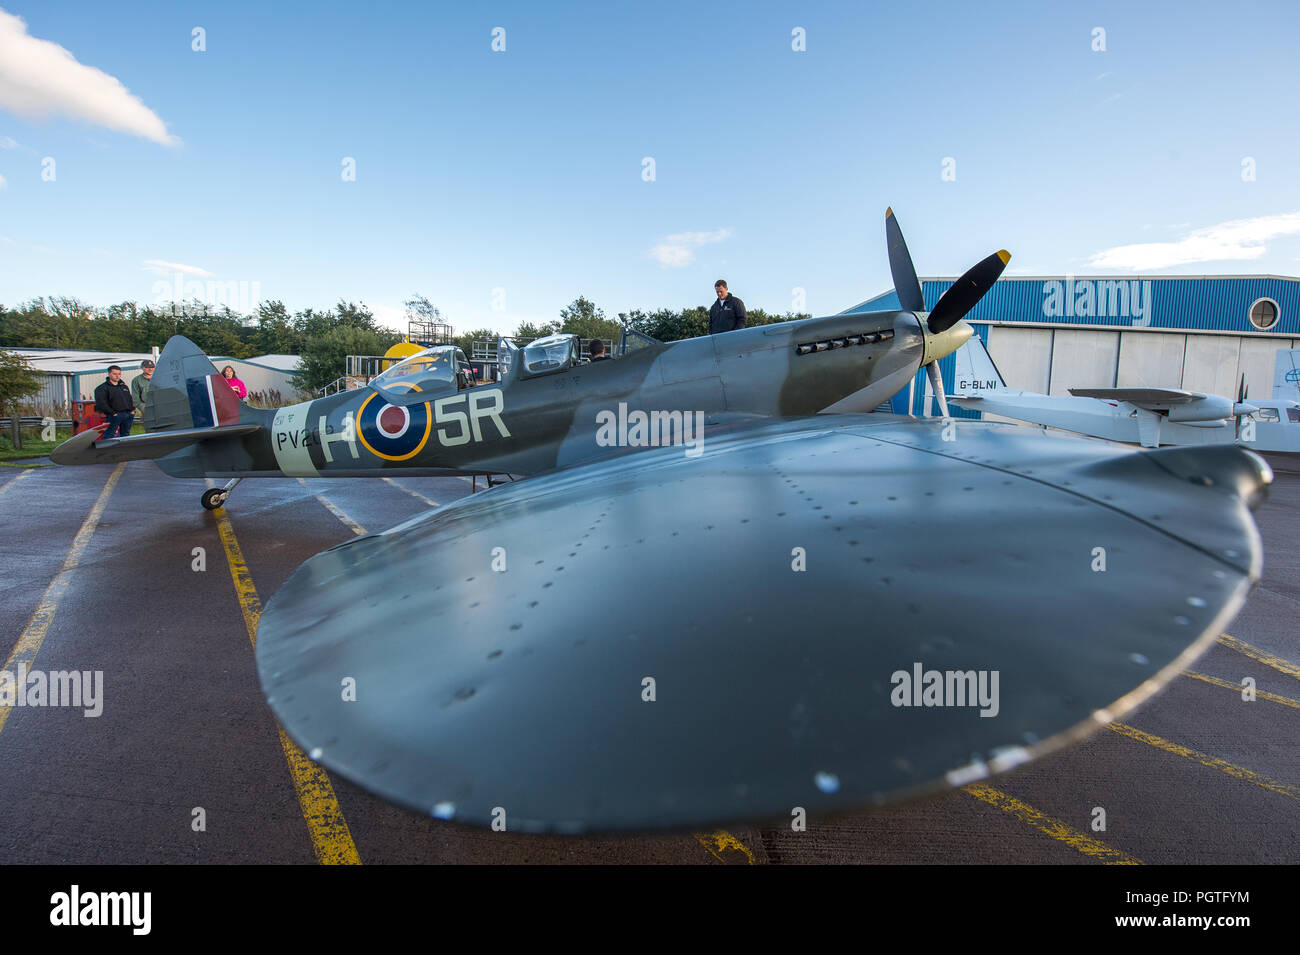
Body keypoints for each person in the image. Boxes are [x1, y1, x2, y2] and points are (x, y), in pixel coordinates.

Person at [93, 365, 135, 439]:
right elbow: (101, 403)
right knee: (110, 434)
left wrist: (132, 410)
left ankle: (123, 449)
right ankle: (106, 450)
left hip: (127, 414)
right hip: (114, 415)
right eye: (114, 374)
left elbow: (129, 399)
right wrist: (113, 413)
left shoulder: (123, 386)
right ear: (109, 374)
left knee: (126, 435)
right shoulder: (102, 388)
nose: (117, 376)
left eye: (119, 374)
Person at [131, 359, 154, 430]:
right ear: (142, 368)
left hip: (161, 407)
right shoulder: (136, 380)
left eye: (152, 367)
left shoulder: (160, 377)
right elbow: (135, 398)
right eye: (147, 367)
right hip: (146, 407)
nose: (150, 369)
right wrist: (143, 409)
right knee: (150, 430)